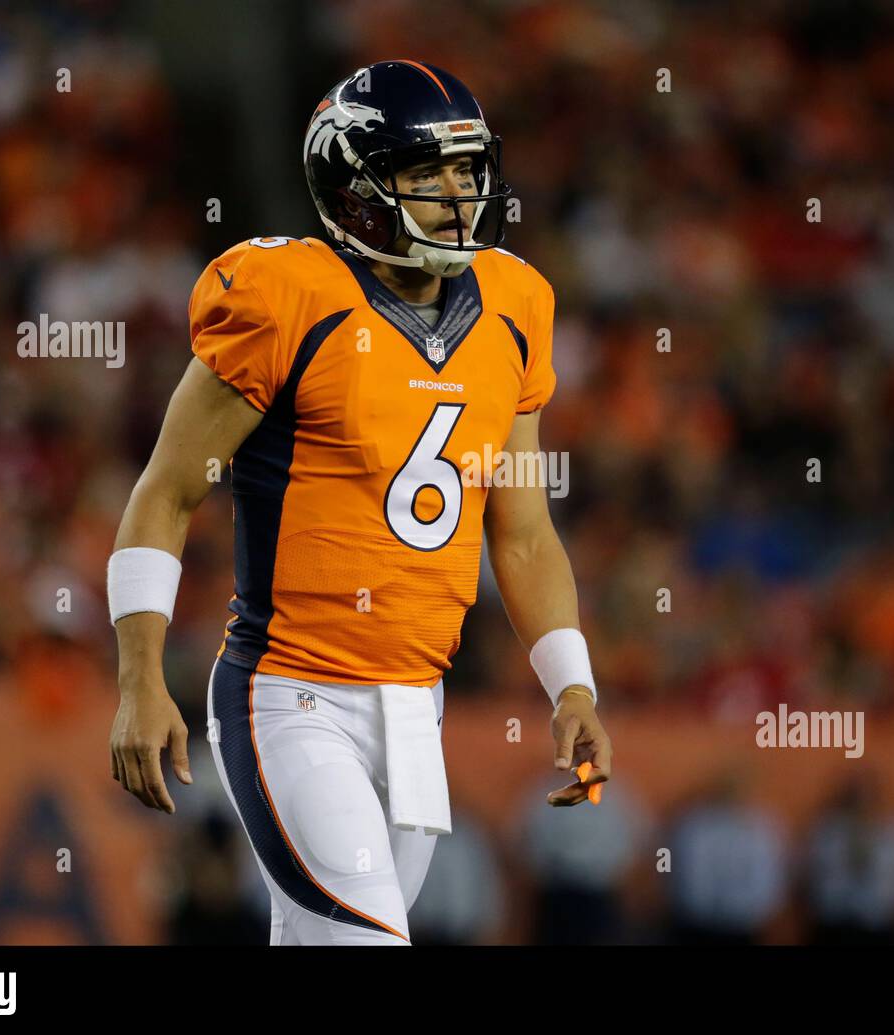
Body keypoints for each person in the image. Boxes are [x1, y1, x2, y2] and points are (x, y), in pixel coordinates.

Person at [105, 59, 613, 945]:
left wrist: (572, 685)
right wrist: (140, 679)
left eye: (466, 169)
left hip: (419, 706)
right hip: (292, 697)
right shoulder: (287, 299)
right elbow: (166, 491)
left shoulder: (516, 306)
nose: (458, 195)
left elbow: (524, 534)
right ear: (357, 186)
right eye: (426, 174)